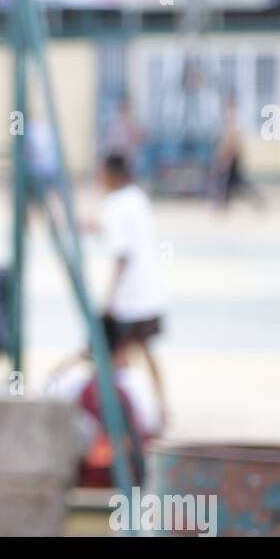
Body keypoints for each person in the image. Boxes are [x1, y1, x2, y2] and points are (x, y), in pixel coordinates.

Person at [83, 154, 169, 418]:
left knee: (116, 354)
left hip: (129, 296)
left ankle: (123, 408)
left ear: (109, 175)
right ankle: (161, 405)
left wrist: (109, 297)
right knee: (145, 349)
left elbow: (122, 253)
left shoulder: (114, 204)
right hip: (150, 291)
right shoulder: (137, 197)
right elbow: (118, 231)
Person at [44, 315, 163, 487]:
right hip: (129, 476)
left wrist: (79, 357)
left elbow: (47, 387)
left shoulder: (70, 380)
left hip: (81, 476)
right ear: (124, 348)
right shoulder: (135, 382)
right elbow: (154, 425)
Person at [213, 97, 265, 212]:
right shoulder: (232, 120)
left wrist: (225, 158)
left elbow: (232, 141)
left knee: (234, 181)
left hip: (232, 157)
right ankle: (223, 204)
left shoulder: (232, 120)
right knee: (231, 182)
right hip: (232, 156)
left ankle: (223, 204)